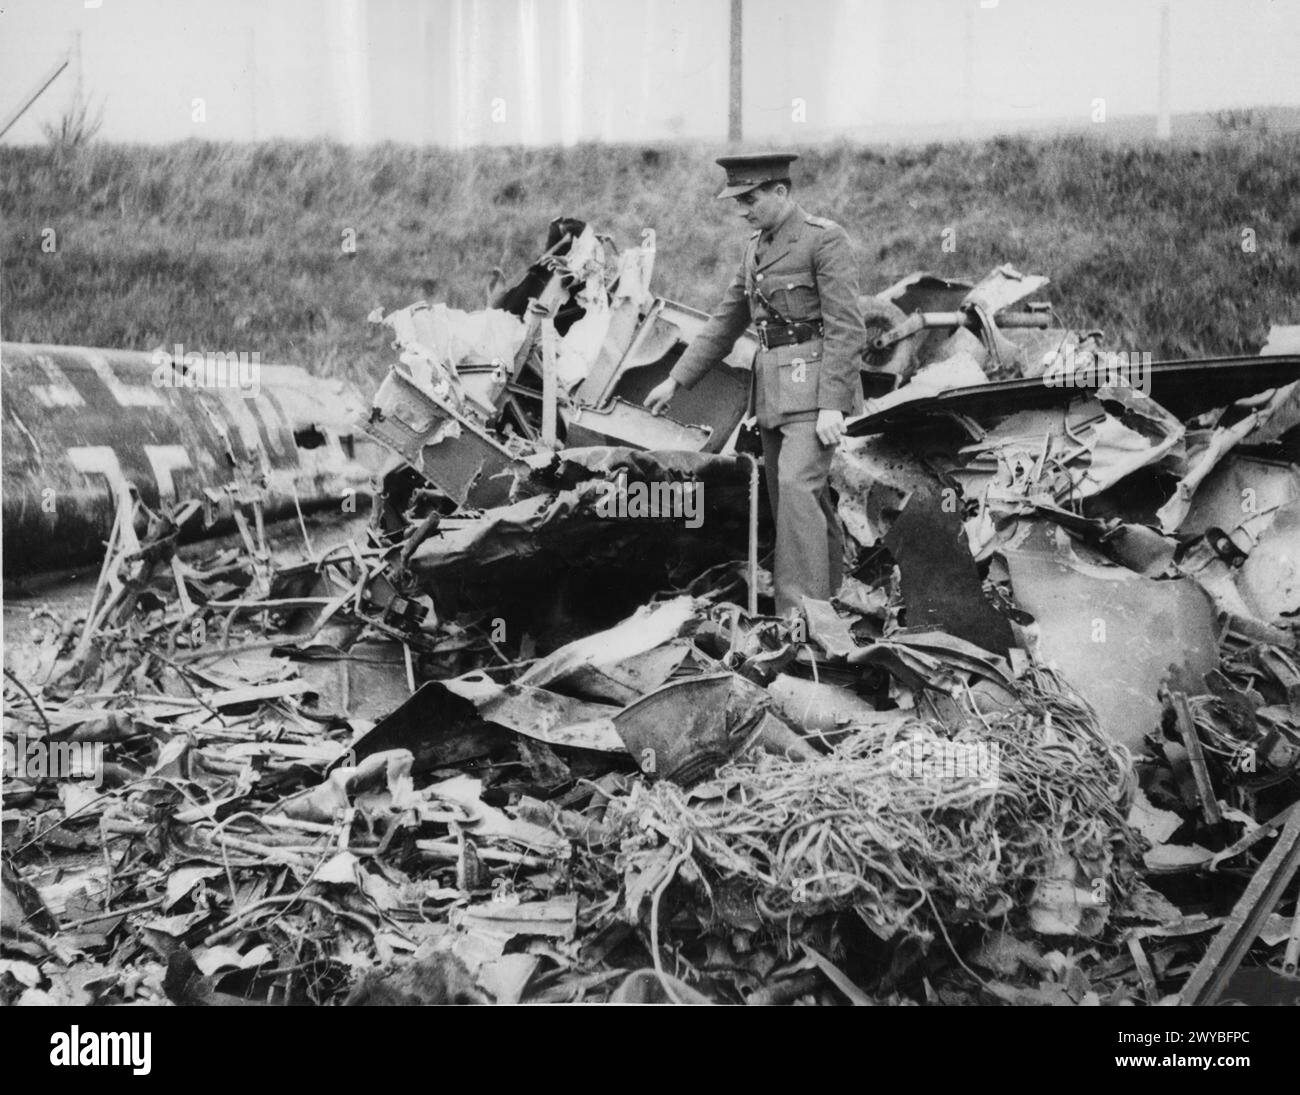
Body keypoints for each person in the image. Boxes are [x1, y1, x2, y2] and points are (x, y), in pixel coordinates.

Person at [644, 152, 867, 618]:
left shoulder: (824, 241)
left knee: (797, 489)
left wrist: (834, 406)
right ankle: (832, 602)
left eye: (750, 198)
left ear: (781, 192)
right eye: (738, 200)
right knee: (796, 499)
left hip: (815, 392)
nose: (742, 208)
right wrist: (676, 379)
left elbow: (847, 328)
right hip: (771, 394)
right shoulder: (754, 249)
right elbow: (725, 321)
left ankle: (797, 619)